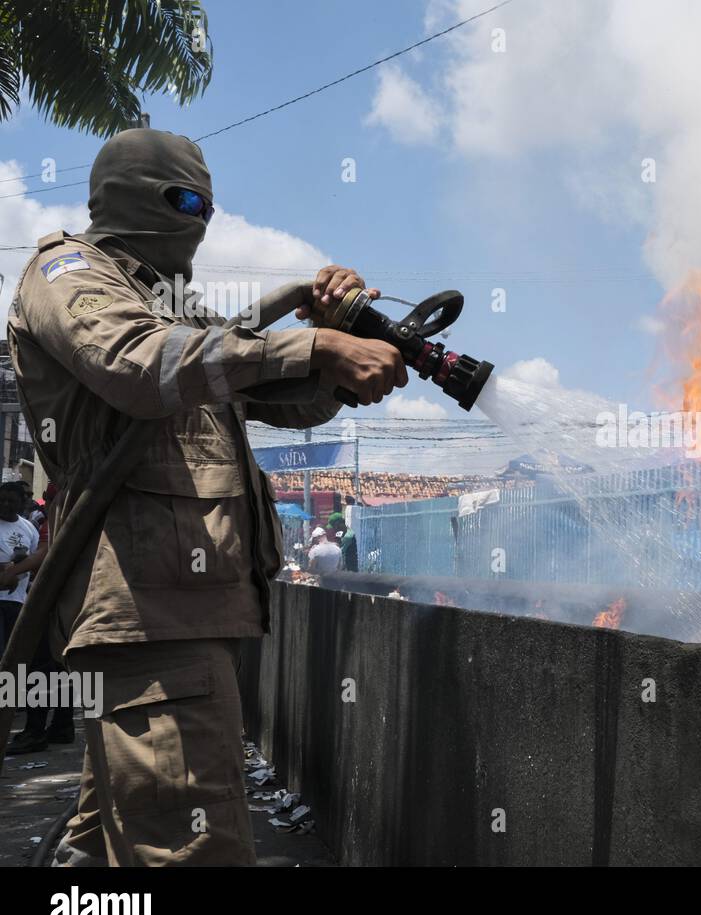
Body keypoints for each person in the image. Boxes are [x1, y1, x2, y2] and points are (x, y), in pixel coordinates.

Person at [6, 127, 406, 866]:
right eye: (188, 200)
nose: (202, 219)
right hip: (150, 622)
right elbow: (135, 362)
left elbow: (272, 394)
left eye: (210, 205)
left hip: (173, 619)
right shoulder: (71, 271)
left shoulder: (174, 317)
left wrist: (327, 346)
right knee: (192, 849)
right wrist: (314, 346)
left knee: (107, 848)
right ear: (137, 197)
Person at [4, 481, 76, 754]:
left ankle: (34, 731)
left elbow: (46, 553)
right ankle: (62, 726)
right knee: (62, 669)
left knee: (40, 668)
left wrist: (11, 572)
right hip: (72, 601)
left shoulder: (61, 515)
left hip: (52, 601)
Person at [0, 481, 40, 657]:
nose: (5, 505)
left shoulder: (29, 528)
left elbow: (36, 559)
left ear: (21, 503)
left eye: (11, 501)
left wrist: (21, 565)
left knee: (12, 653)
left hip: (17, 601)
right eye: (1, 500)